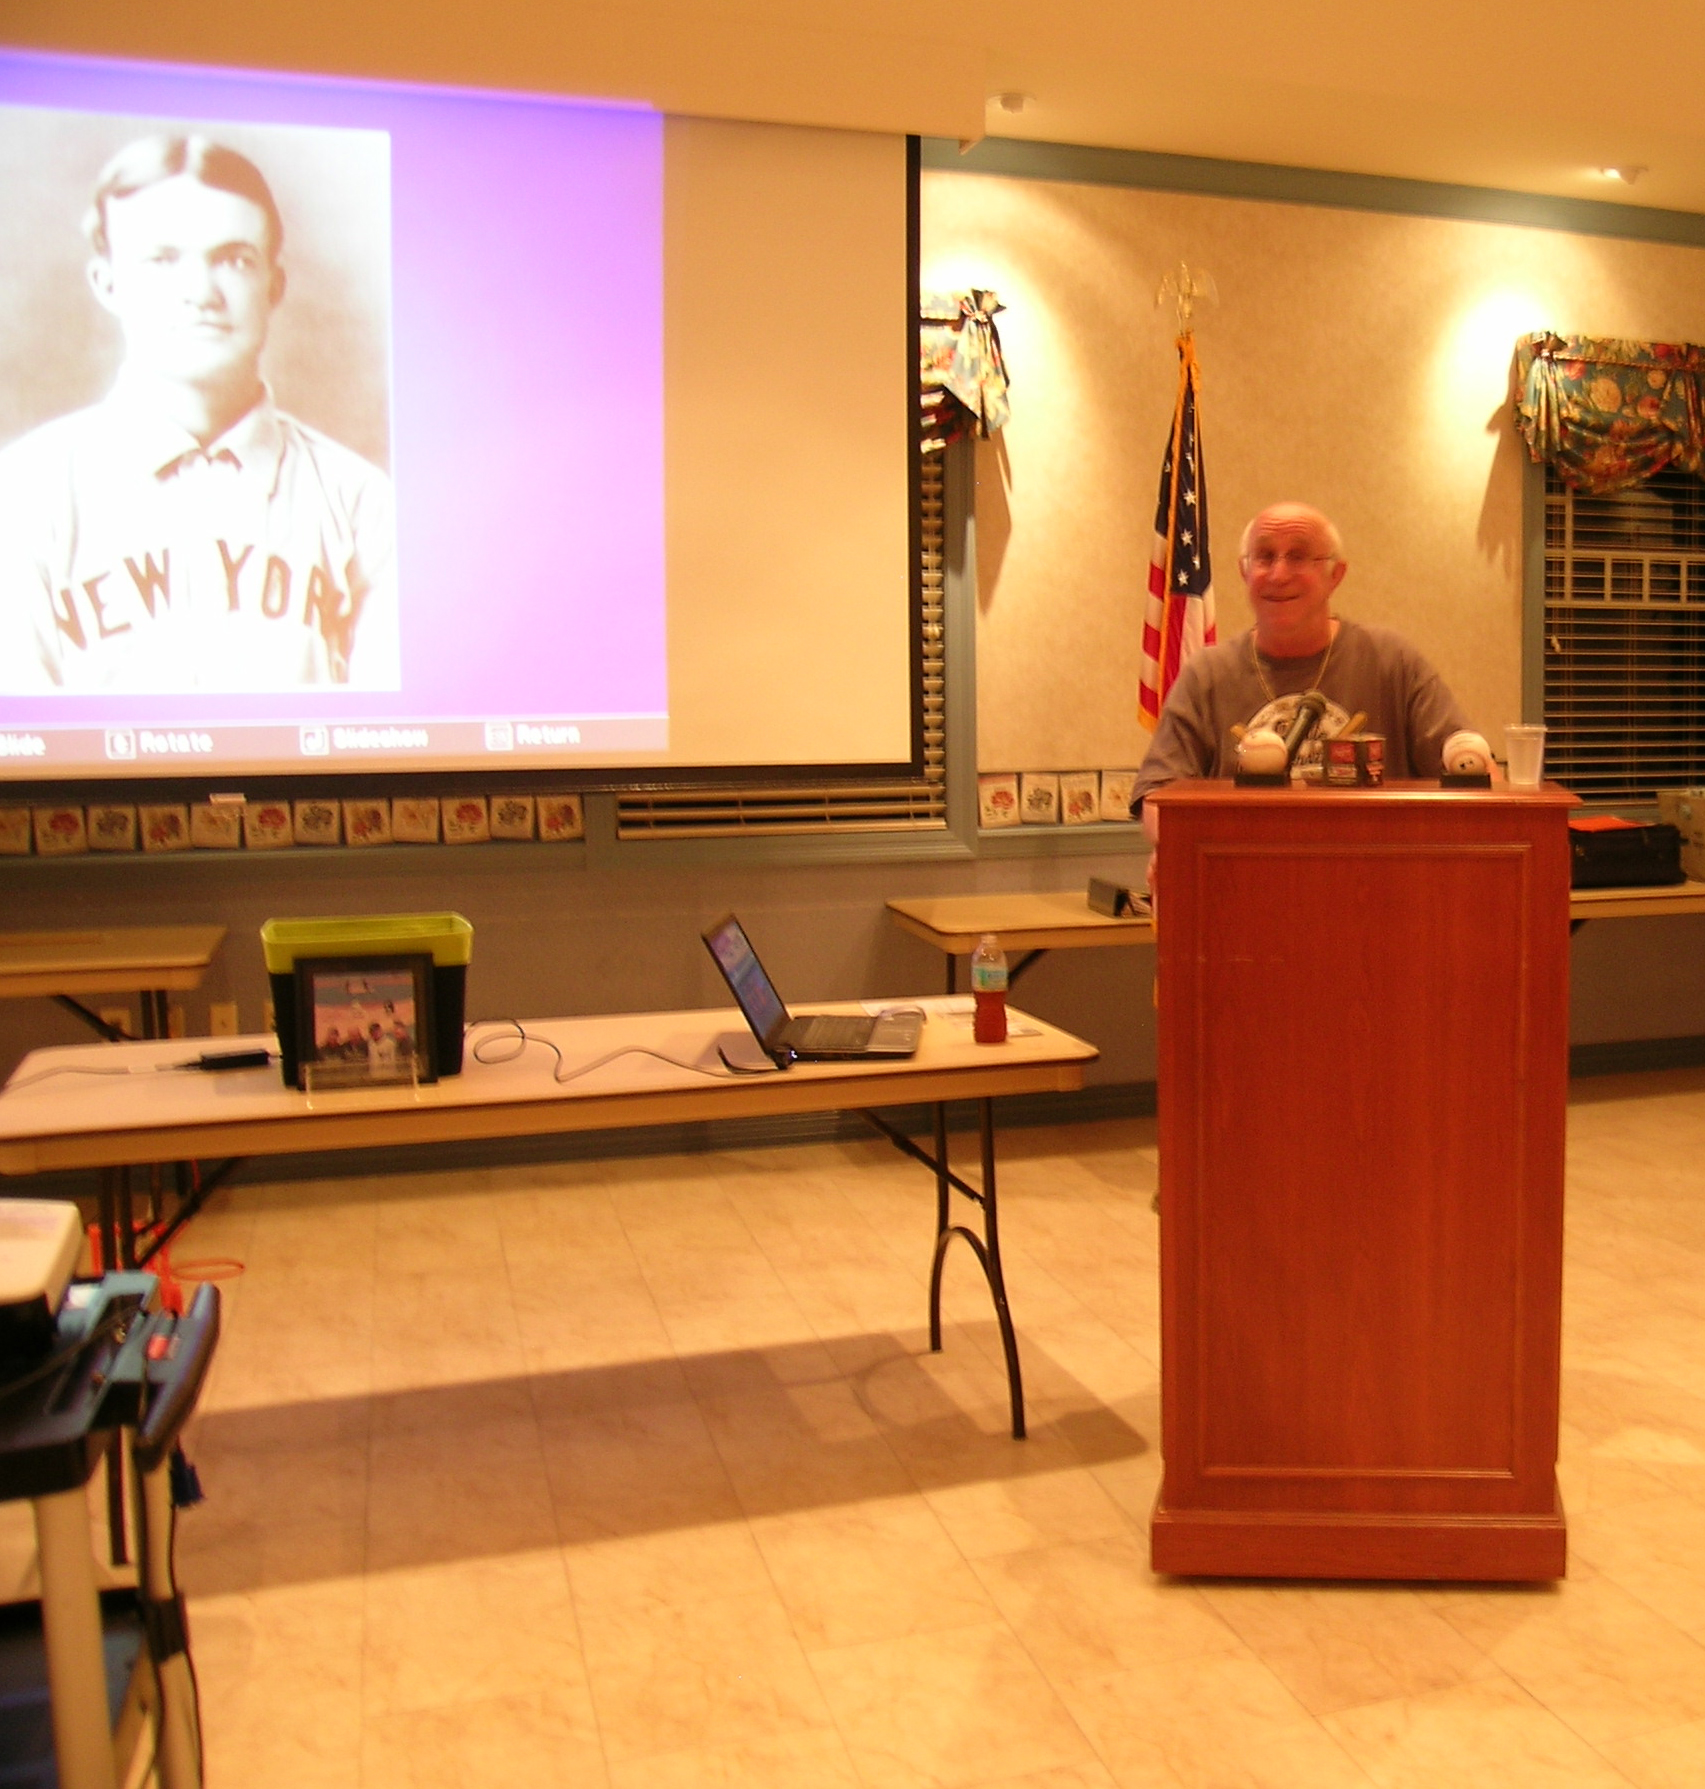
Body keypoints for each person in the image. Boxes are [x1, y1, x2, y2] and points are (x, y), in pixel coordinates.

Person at [0, 133, 397, 693]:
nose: (200, 292)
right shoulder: (21, 492)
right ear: (107, 283)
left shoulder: (360, 502)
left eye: (234, 260)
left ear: (273, 285)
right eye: (162, 260)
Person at [1131, 502, 1471, 853]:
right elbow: (1156, 798)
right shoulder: (1206, 675)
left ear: (1335, 575)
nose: (1278, 575)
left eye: (1298, 557)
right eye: (1264, 557)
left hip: (1373, 889)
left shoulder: (1393, 661)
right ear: (1244, 571)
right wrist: (1175, 852)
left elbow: (1473, 773)